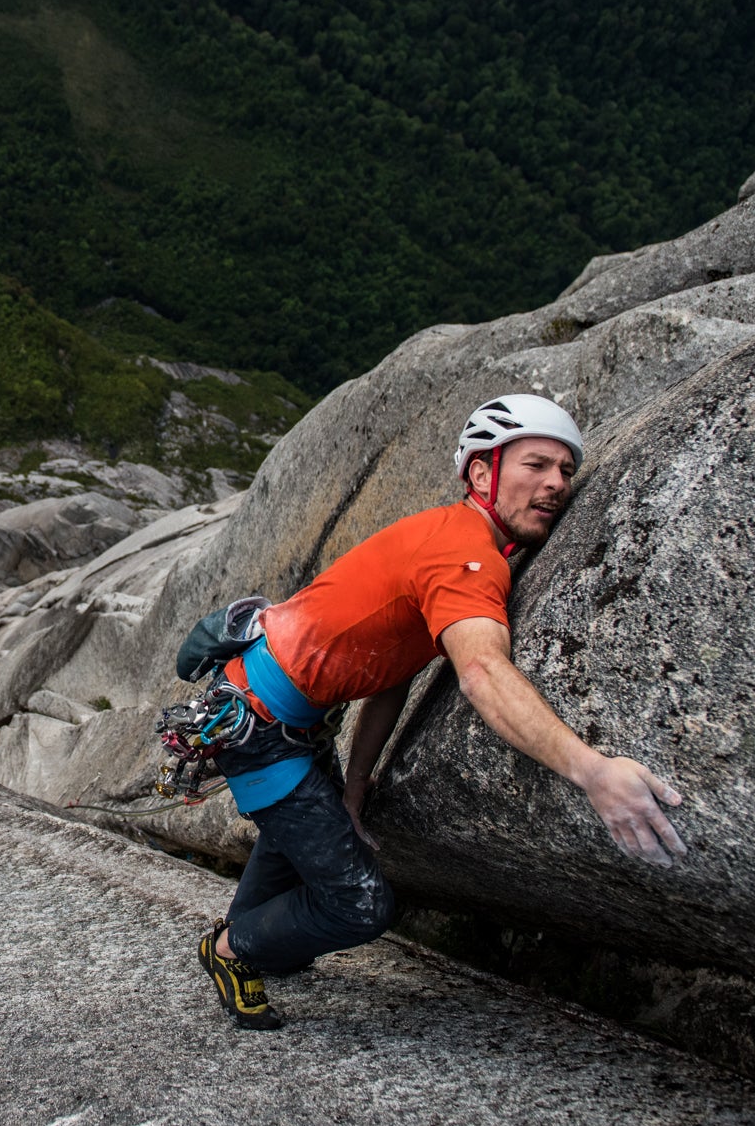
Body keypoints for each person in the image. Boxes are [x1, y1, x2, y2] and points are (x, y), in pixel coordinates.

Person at [194, 394, 687, 1031]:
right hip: (261, 730)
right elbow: (482, 672)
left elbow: (391, 677)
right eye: (536, 465)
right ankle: (230, 948)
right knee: (359, 906)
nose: (557, 484)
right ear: (481, 473)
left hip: (280, 716)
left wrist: (354, 786)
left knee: (304, 830)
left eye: (566, 471)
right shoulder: (466, 553)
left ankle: (259, 938)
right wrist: (593, 773)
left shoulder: (452, 533)